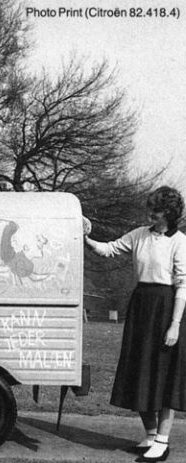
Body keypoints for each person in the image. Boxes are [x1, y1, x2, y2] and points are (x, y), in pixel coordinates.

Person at [85, 186, 186, 463]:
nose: (150, 214)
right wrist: (85, 238)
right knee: (139, 369)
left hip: (166, 308)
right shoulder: (139, 234)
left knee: (164, 376)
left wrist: (175, 325)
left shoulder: (180, 242)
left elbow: (182, 286)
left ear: (168, 213)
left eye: (155, 210)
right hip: (141, 305)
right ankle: (151, 435)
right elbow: (109, 249)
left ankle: (163, 442)